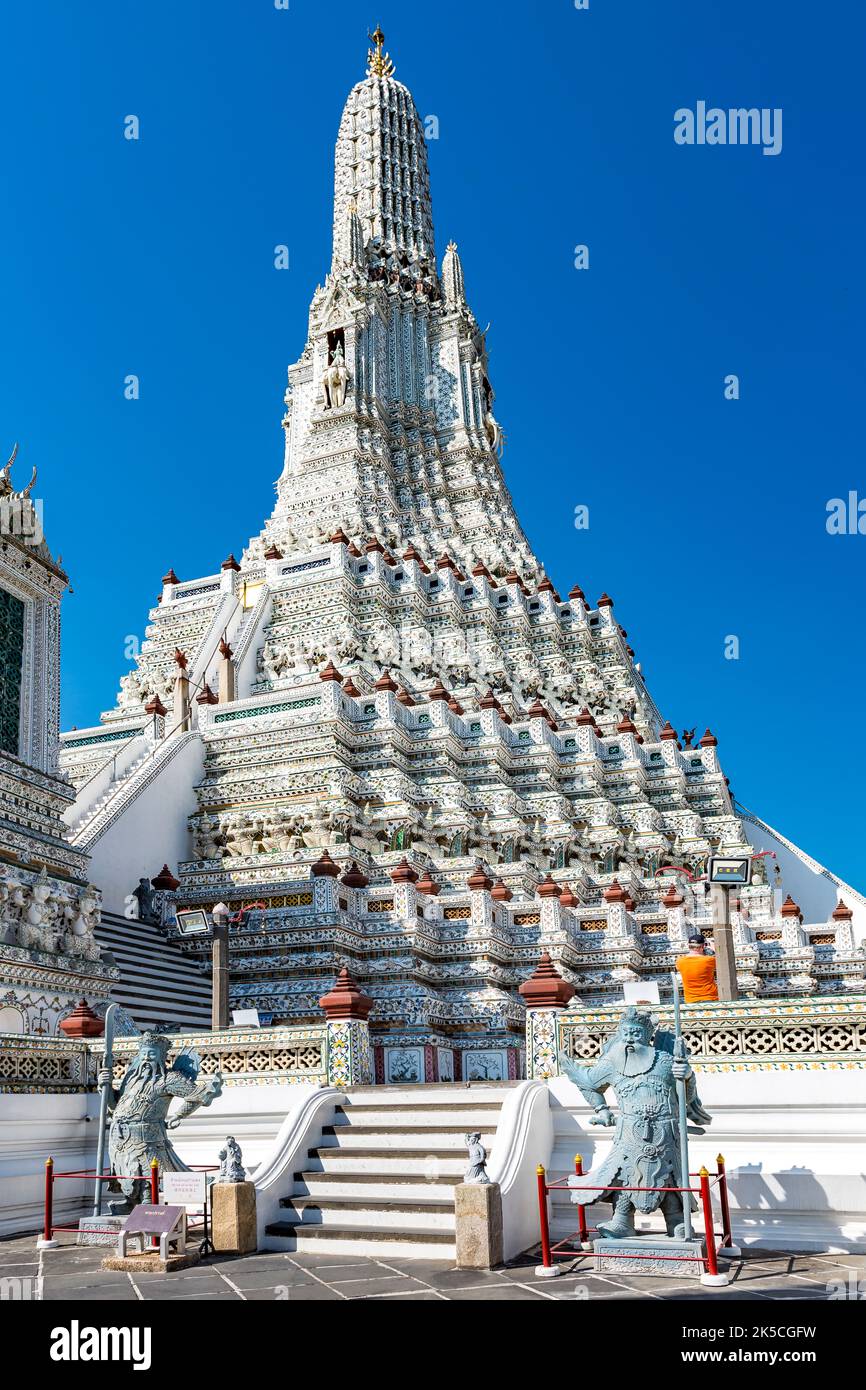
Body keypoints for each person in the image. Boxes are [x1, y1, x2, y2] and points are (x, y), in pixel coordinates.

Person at [675, 933, 719, 1002]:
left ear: (689, 946)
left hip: (690, 1000)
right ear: (703, 946)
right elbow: (723, 962)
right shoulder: (709, 960)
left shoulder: (679, 961)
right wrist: (715, 949)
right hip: (710, 997)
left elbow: (678, 968)